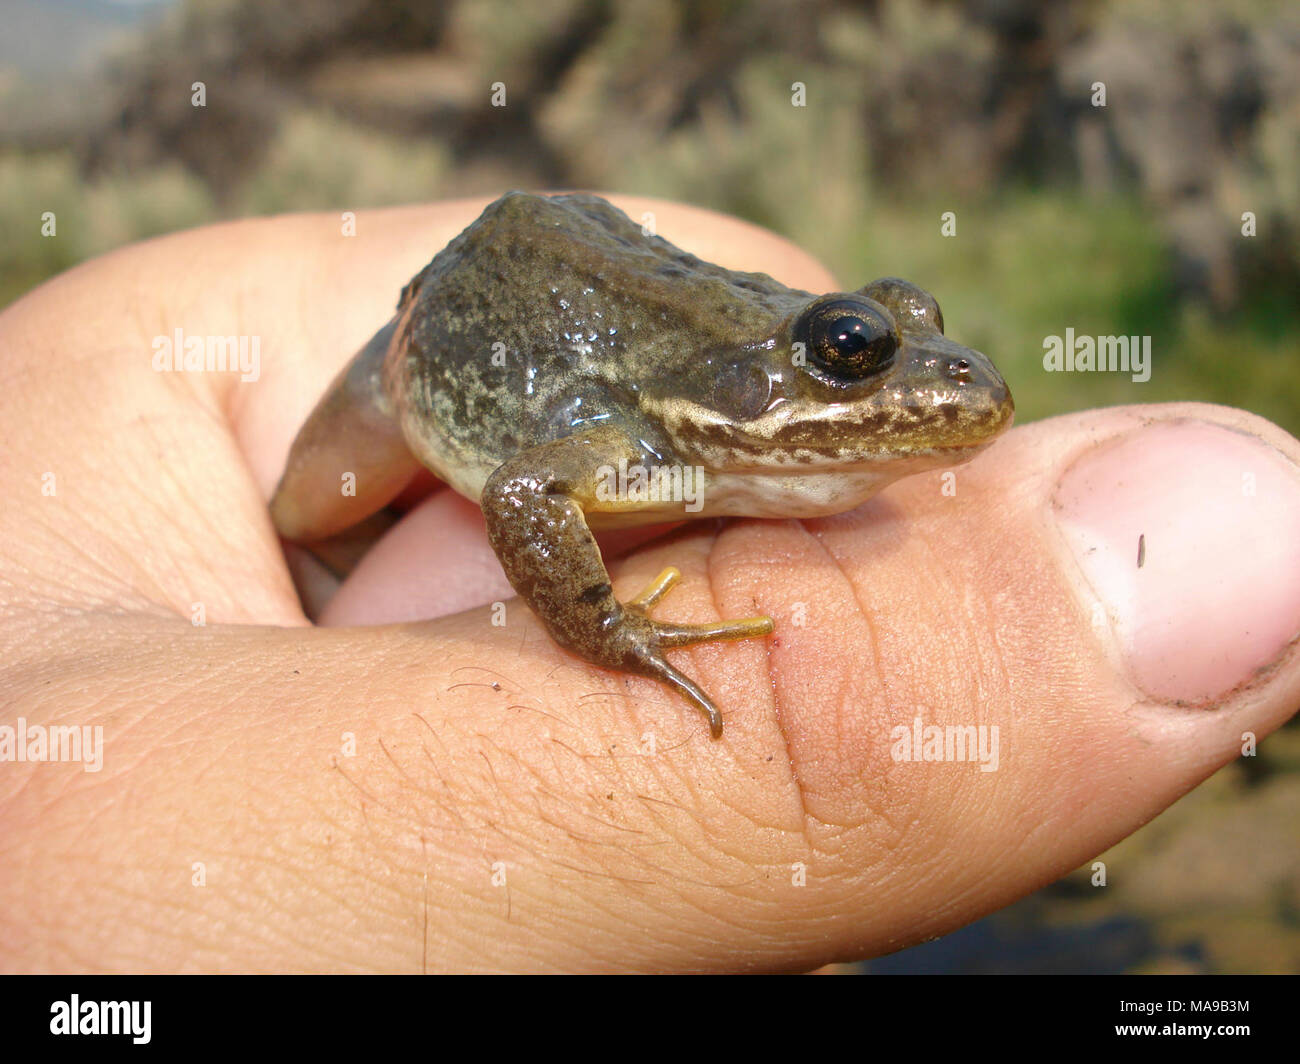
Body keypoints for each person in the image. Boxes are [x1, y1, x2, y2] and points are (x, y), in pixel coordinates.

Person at [2, 196, 1298, 973]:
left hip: (611, 289)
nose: (927, 380)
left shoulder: (729, 437)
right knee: (310, 502)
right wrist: (606, 630)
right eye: (850, 352)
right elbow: (519, 491)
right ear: (782, 359)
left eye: (891, 336)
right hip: (462, 305)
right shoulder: (635, 444)